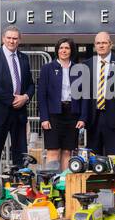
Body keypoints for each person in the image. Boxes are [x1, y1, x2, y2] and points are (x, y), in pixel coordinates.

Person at [0, 25, 35, 175]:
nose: (12, 41)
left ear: (19, 40)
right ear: (3, 38)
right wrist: (12, 99)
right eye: (9, 38)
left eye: (15, 38)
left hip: (19, 113)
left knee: (21, 154)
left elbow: (30, 84)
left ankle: (20, 185)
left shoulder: (24, 58)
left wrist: (25, 97)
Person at [37, 39, 88, 169]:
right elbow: (41, 95)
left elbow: (85, 95)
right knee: (53, 150)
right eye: (61, 48)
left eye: (67, 48)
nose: (64, 50)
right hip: (53, 115)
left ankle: (64, 185)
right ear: (57, 50)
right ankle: (51, 182)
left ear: (72, 51)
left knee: (67, 151)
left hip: (72, 114)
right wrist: (44, 118)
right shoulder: (47, 68)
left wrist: (82, 117)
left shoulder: (80, 70)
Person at [86, 31, 115, 158]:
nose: (101, 46)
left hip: (114, 117)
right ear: (94, 45)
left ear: (110, 44)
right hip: (93, 118)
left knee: (114, 158)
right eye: (98, 43)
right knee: (93, 159)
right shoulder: (87, 64)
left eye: (104, 42)